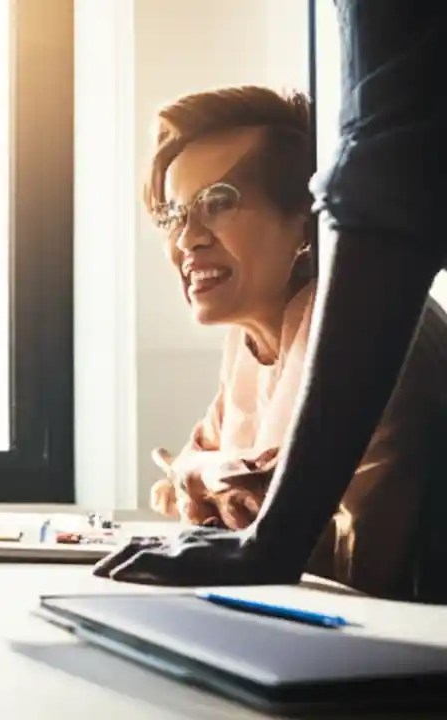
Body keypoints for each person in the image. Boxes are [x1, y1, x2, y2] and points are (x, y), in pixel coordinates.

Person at [97, 1, 447, 601]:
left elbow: (355, 562)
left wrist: (219, 486)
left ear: (307, 222)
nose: (187, 238)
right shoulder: (252, 339)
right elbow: (197, 479)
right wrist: (222, 482)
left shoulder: (372, 330)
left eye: (220, 201)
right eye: (174, 214)